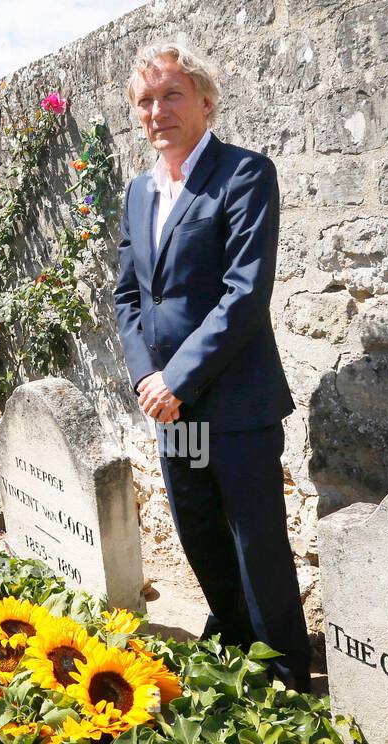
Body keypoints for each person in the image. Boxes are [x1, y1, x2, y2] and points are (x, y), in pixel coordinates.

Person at [114, 42, 310, 691]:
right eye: (145, 101)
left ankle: (285, 673)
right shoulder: (139, 194)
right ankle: (232, 642)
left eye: (171, 95)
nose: (157, 111)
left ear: (204, 101)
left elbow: (244, 292)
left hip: (234, 402)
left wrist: (178, 378)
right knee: (199, 533)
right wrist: (149, 378)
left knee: (257, 543)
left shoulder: (244, 175)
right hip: (169, 406)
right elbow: (128, 296)